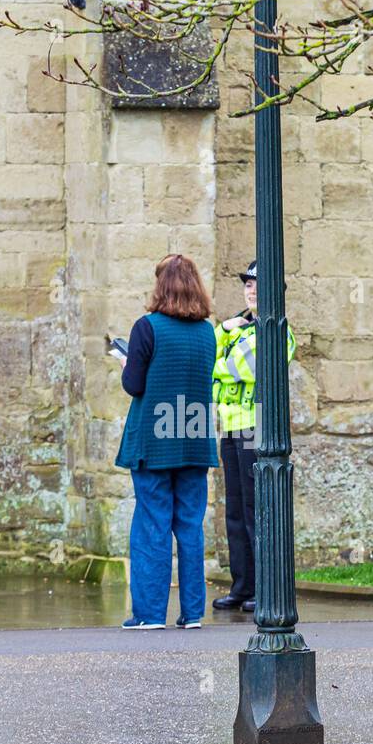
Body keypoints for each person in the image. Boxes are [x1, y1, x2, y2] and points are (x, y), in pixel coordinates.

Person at [116, 254, 218, 629]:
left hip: (155, 441)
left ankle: (149, 613)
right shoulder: (209, 331)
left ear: (161, 285)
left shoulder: (147, 327)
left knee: (152, 524)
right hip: (193, 437)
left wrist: (126, 362)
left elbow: (134, 384)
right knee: (189, 525)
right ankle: (192, 612)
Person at [211, 259, 296, 613]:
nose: (251, 289)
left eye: (258, 285)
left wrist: (224, 341)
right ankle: (242, 586)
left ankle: (265, 587)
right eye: (248, 284)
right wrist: (225, 334)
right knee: (234, 509)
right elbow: (209, 363)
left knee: (255, 509)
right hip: (231, 425)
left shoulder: (277, 330)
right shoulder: (234, 327)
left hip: (256, 426)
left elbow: (237, 368)